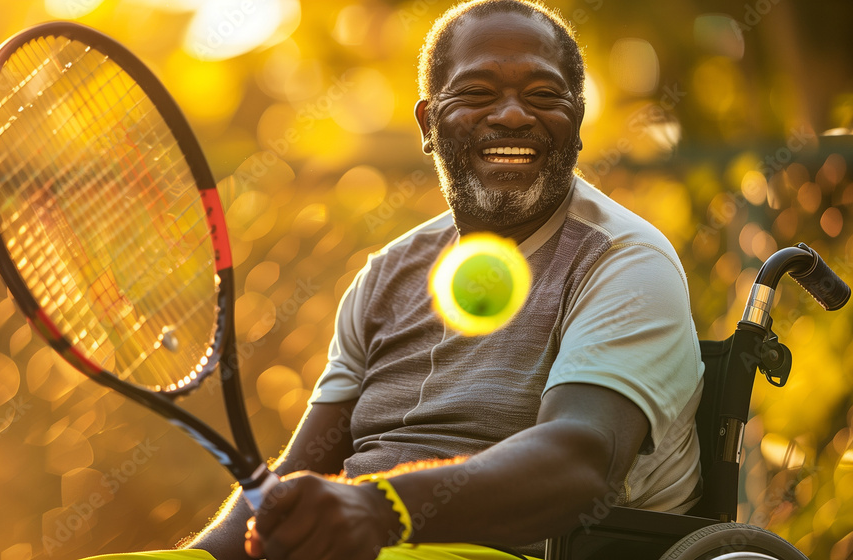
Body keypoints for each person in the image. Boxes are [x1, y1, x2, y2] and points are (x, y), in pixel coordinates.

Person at [86, 1, 704, 559]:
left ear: (577, 117)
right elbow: (298, 473)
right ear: (428, 123)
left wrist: (379, 509)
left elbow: (579, 463)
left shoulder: (624, 261)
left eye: (544, 94)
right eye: (478, 92)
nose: (513, 114)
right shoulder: (388, 274)